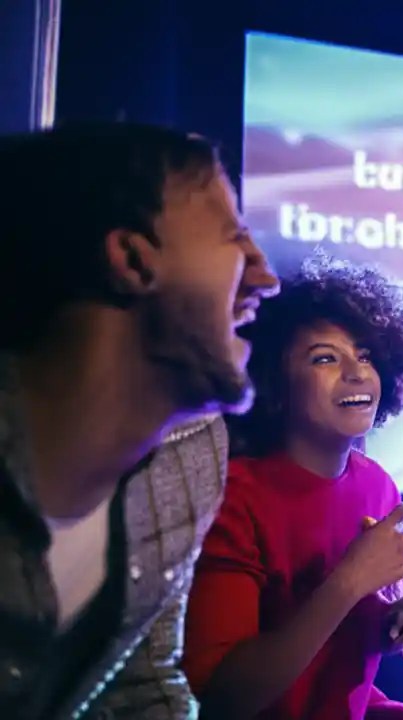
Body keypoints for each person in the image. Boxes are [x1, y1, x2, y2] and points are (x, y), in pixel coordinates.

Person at [0, 121, 279, 717]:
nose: (266, 279)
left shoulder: (193, 453)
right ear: (130, 257)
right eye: (235, 238)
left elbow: (137, 684)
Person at [182, 254, 403, 719]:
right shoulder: (235, 496)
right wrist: (346, 582)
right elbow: (226, 697)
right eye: (325, 357)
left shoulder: (377, 486)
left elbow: (369, 630)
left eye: (365, 355)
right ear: (273, 382)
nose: (357, 372)